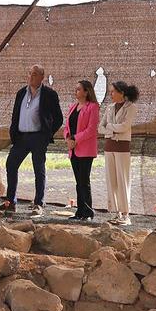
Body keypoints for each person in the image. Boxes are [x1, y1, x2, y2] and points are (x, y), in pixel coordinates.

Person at [0, 64, 62, 215]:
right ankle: (11, 202)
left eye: (34, 74)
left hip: (39, 137)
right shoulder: (21, 93)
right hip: (21, 136)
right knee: (11, 164)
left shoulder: (49, 94)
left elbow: (58, 118)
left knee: (38, 169)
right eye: (29, 73)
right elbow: (15, 115)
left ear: (41, 77)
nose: (31, 77)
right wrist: (14, 134)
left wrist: (47, 134)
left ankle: (39, 203)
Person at [99, 80, 139, 225]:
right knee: (112, 180)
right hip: (109, 147)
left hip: (122, 147)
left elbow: (125, 126)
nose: (111, 94)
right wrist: (111, 129)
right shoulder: (109, 108)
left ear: (121, 93)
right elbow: (100, 127)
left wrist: (110, 128)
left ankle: (126, 214)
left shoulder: (131, 107)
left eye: (113, 91)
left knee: (123, 180)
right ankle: (116, 213)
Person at [64, 79, 100, 221]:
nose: (76, 91)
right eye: (76, 89)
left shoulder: (93, 107)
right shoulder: (73, 107)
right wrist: (68, 138)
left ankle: (88, 211)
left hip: (85, 149)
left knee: (84, 181)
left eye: (79, 89)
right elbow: (67, 126)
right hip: (73, 149)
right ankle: (80, 211)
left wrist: (75, 139)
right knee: (78, 181)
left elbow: (91, 130)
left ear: (86, 92)